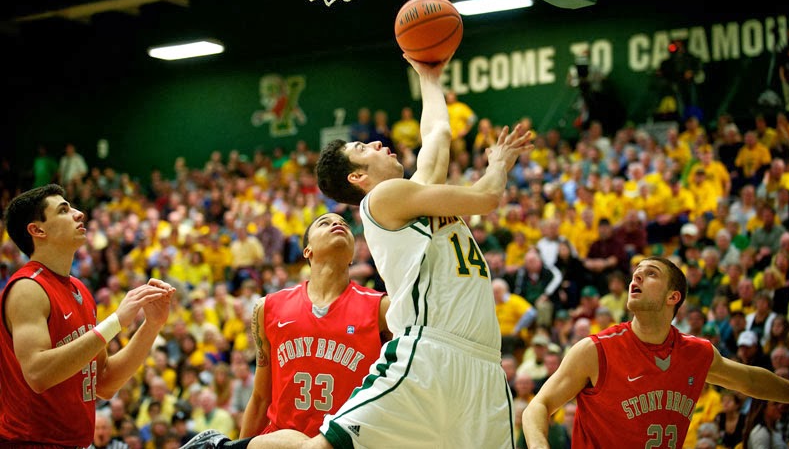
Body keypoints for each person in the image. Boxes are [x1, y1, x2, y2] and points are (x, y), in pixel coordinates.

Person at [184, 54, 533, 448]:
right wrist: (499, 163)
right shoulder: (382, 199)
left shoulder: (415, 198)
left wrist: (428, 76)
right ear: (357, 176)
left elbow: (437, 135)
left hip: (484, 363)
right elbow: (487, 197)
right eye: (364, 147)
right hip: (430, 351)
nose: (379, 143)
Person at [521, 255, 789, 448]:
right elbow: (538, 405)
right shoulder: (595, 350)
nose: (637, 275)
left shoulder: (696, 353)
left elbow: (750, 380)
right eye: (636, 272)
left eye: (651, 273)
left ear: (673, 297)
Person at [0, 184, 175, 447]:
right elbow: (38, 374)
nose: (79, 213)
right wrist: (116, 321)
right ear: (38, 230)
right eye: (63, 210)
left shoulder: (79, 289)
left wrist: (152, 325)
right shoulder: (28, 288)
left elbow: (104, 382)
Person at [239, 212, 390, 438]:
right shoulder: (268, 307)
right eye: (324, 223)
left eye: (344, 224)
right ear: (307, 250)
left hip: (345, 441)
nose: (337, 223)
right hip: (282, 439)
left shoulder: (381, 308)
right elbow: (261, 398)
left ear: (352, 255)